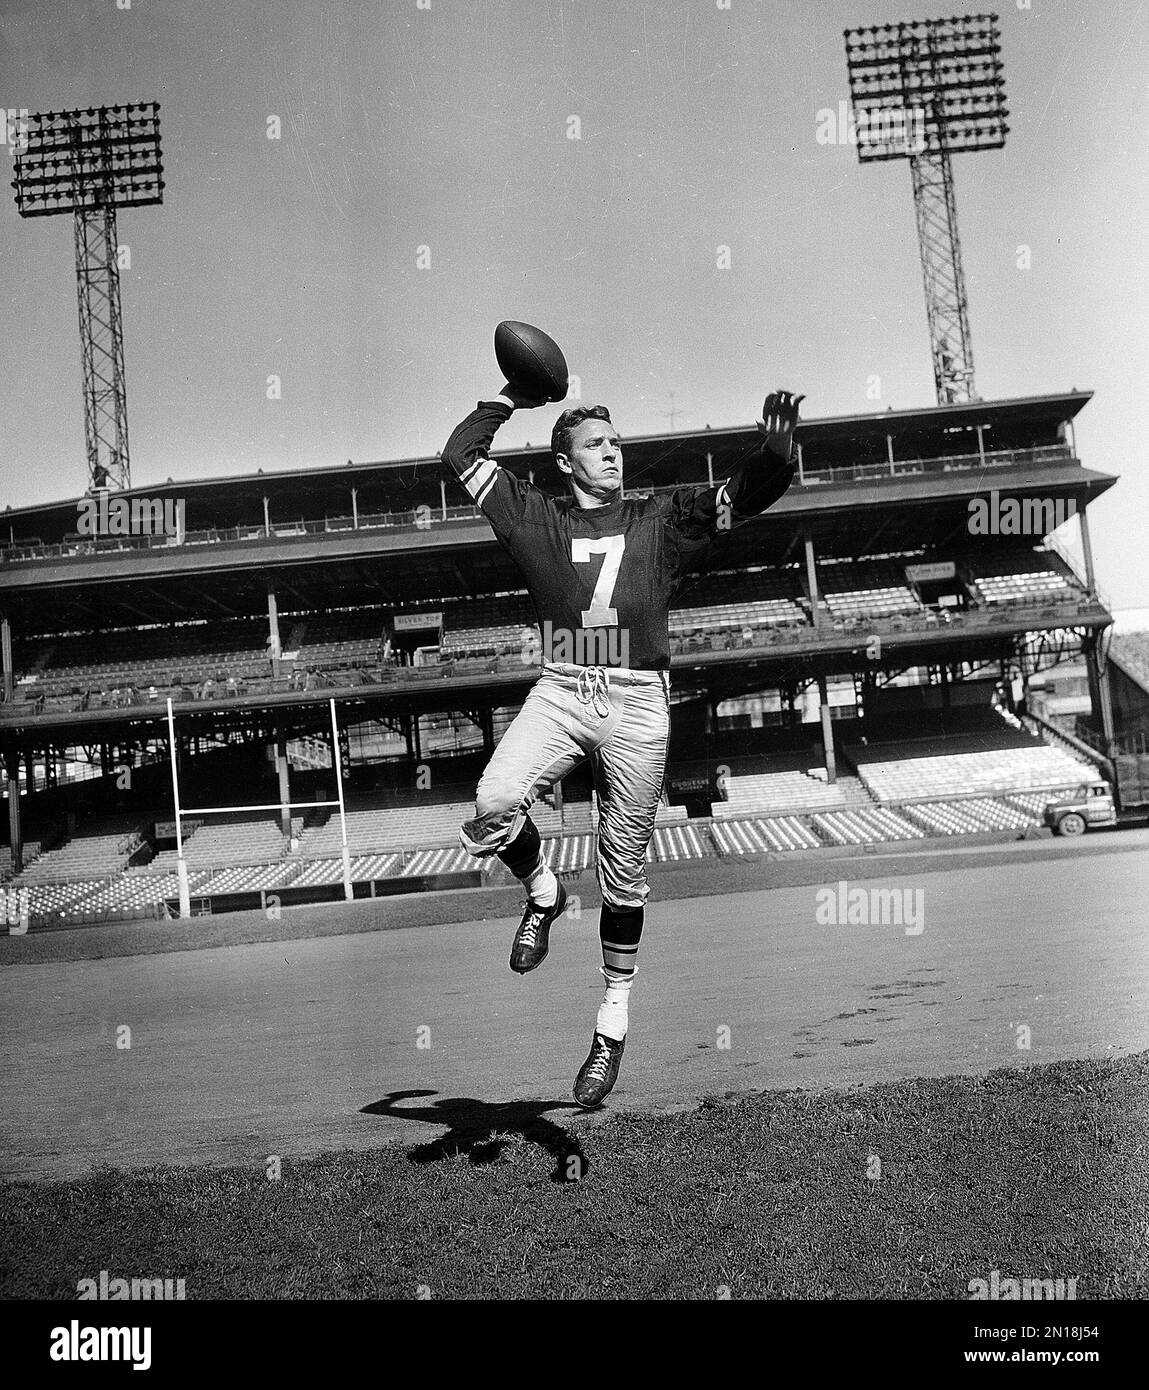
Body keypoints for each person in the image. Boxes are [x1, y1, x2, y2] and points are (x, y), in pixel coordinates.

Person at [442, 381, 803, 1107]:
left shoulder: (660, 516)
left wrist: (777, 454)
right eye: (596, 445)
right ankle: (542, 893)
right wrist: (511, 394)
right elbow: (459, 453)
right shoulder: (533, 514)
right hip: (562, 686)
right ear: (565, 462)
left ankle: (610, 1024)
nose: (613, 453)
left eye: (615, 443)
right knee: (493, 800)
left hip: (638, 699)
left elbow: (742, 495)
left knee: (623, 873)